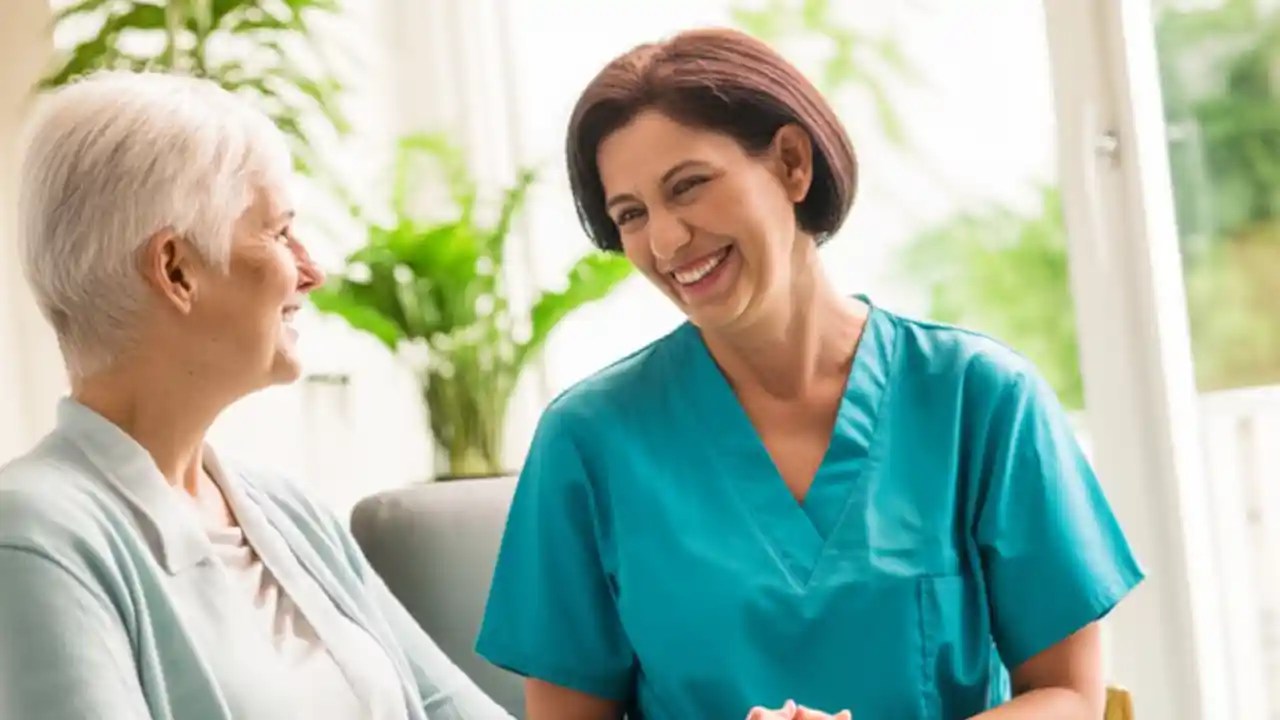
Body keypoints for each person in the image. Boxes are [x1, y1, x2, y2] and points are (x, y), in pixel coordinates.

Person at [475, 27, 1144, 720]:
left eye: (690, 186)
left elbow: (1068, 694)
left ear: (793, 165)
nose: (667, 241)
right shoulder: (589, 442)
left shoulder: (979, 399)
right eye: (632, 215)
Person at [0, 71, 511, 720]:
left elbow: (451, 708)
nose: (312, 269)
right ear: (176, 269)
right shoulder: (33, 537)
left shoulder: (284, 510)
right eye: (277, 232)